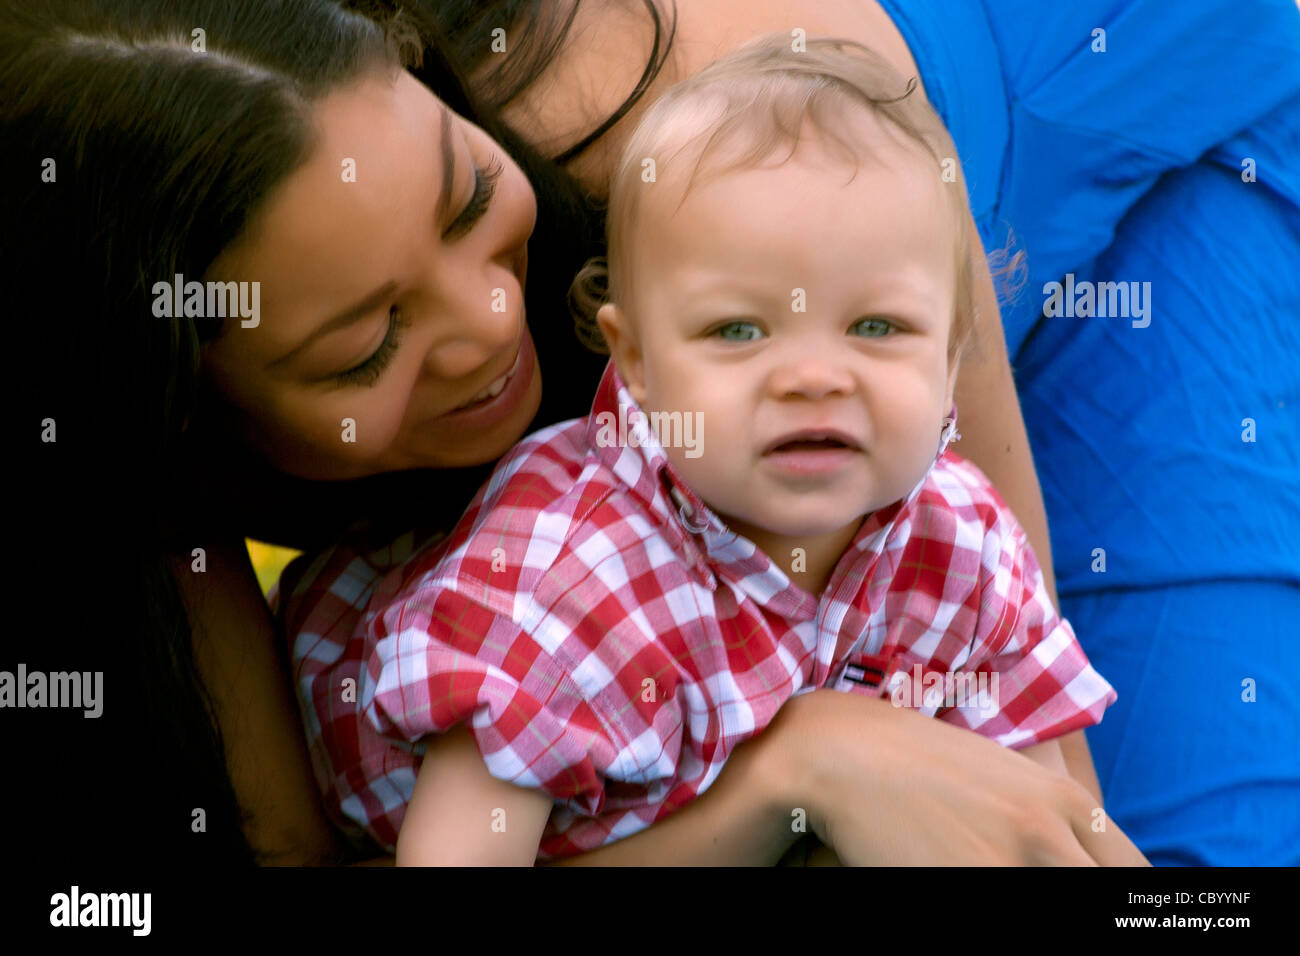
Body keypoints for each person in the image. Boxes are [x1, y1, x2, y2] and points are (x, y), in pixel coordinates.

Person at [8, 0, 1291, 867]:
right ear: (172, 398)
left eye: (466, 198)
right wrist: (800, 769)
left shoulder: (670, 110)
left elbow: (989, 573)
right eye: (364, 345)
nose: (496, 318)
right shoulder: (150, 512)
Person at [288, 36, 1144, 865]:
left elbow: (1045, 821)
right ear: (637, 363)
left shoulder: (965, 543)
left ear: (954, 350)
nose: (814, 377)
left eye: (877, 326)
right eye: (738, 330)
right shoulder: (567, 577)